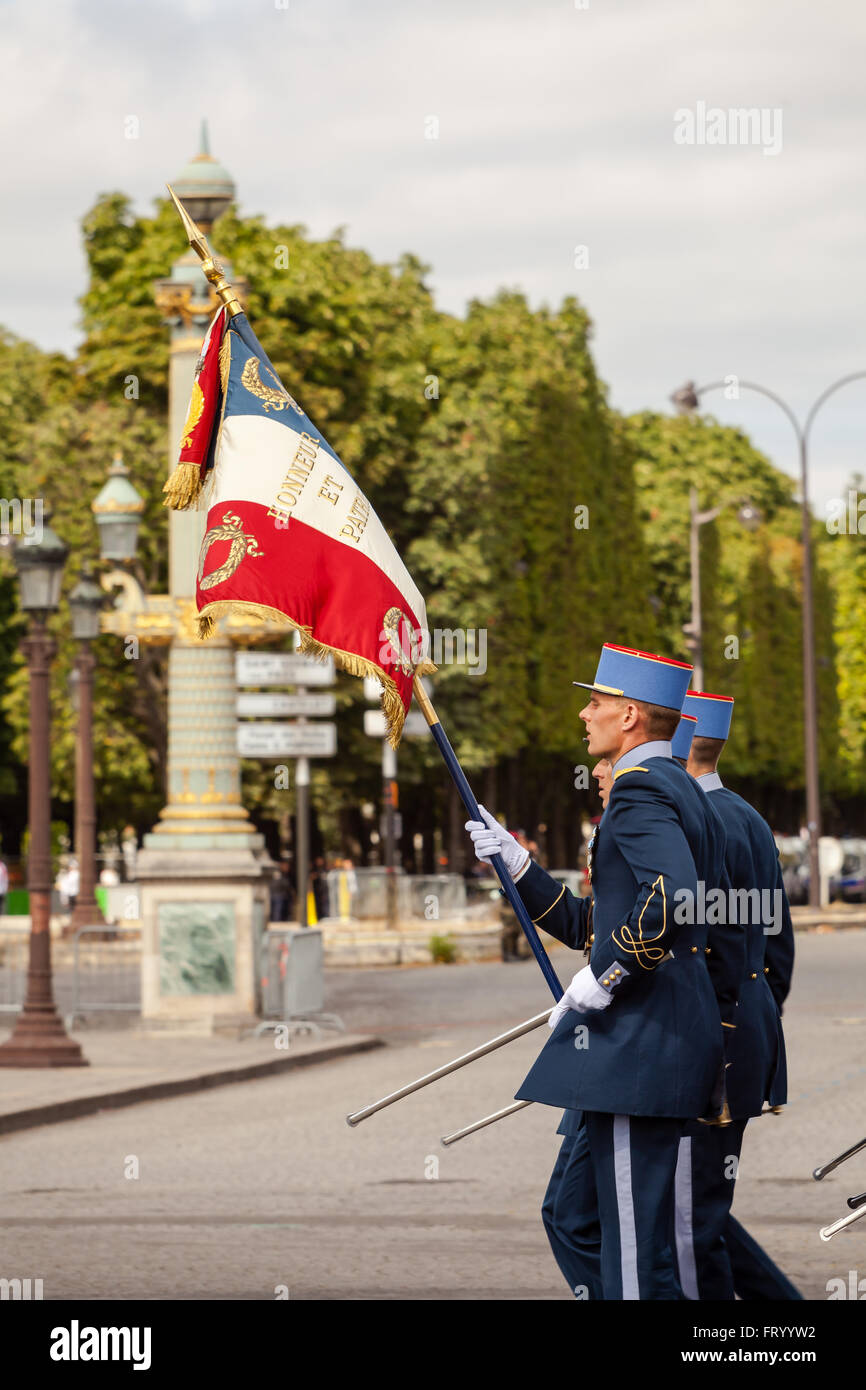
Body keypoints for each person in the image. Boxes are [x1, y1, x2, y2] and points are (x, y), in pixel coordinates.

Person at [466, 642, 732, 1300]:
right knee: (579, 1218)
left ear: (632, 716)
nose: (584, 714)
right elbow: (599, 924)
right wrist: (521, 867)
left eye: (597, 703)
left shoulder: (641, 789)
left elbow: (672, 898)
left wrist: (601, 981)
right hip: (649, 1048)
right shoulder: (677, 788)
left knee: (636, 1256)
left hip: (638, 1050)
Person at [674, 689, 800, 1300]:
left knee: (690, 1225)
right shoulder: (749, 816)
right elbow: (776, 947)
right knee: (704, 1211)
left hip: (705, 1043)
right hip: (747, 1030)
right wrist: (755, 1017)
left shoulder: (689, 818)